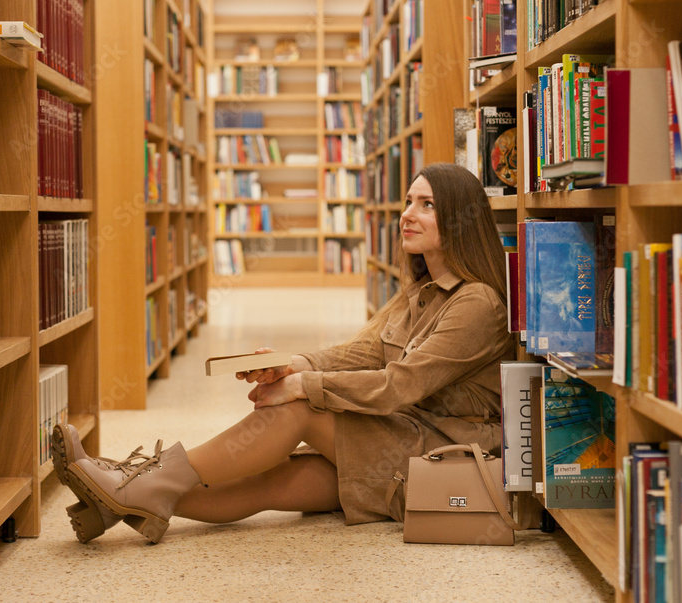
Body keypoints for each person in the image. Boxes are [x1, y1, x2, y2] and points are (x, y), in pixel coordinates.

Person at [51, 163, 515, 544]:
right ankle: (123, 496)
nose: (408, 214)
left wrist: (303, 385)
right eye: (409, 201)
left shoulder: (476, 303)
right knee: (270, 482)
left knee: (295, 410)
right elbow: (363, 354)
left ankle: (125, 481)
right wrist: (294, 363)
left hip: (439, 455)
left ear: (461, 220)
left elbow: (400, 384)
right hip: (401, 439)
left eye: (428, 205)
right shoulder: (422, 292)